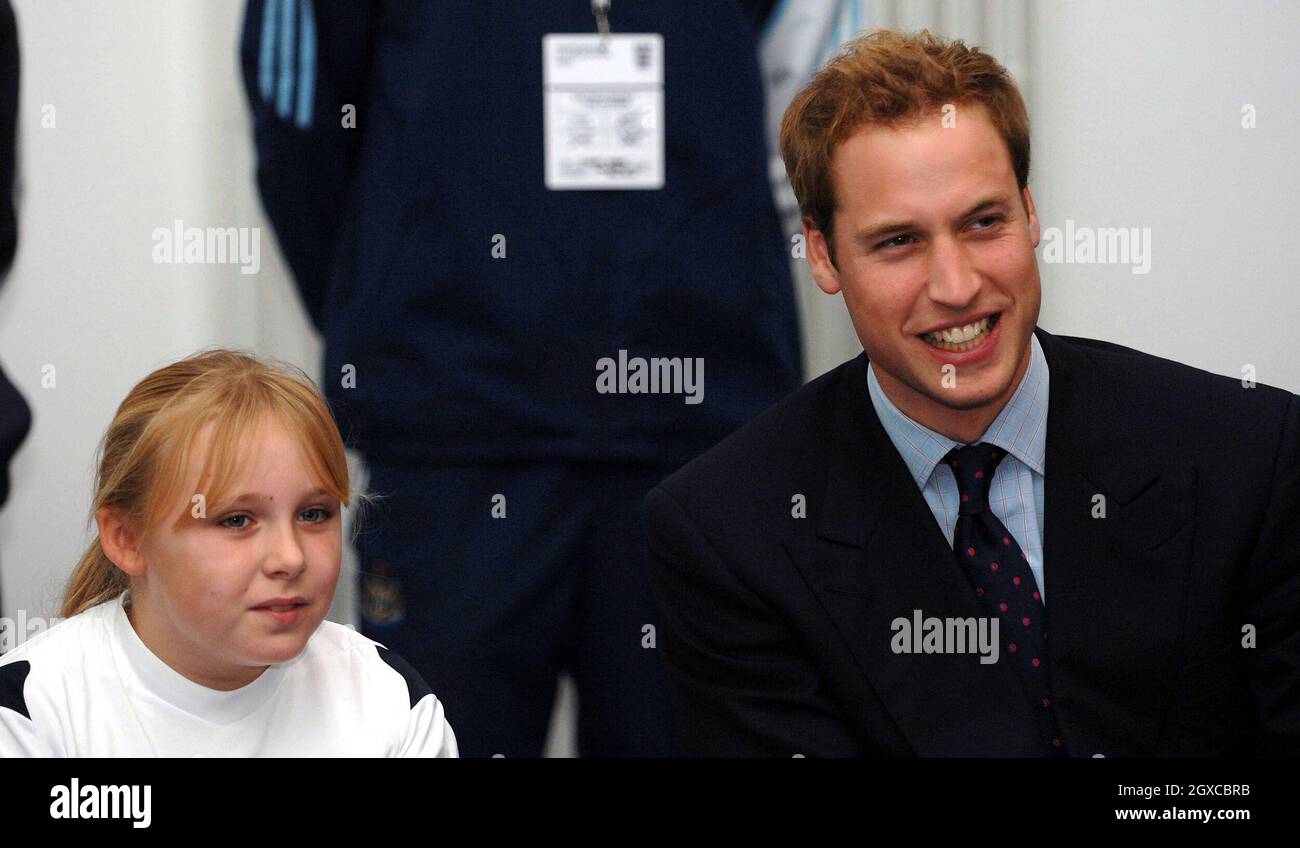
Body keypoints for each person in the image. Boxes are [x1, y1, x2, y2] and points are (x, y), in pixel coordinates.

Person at [645, 29, 1300, 757]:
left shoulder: (1251, 455)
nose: (956, 288)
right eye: (898, 241)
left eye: (983, 223)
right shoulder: (729, 531)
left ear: (1030, 214)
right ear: (824, 255)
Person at [239, 1, 801, 756]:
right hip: (454, 433)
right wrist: (392, 294)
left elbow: (813, 111)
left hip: (703, 432)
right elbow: (297, 109)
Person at [0, 350, 458, 756]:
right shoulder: (32, 715)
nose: (290, 558)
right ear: (126, 539)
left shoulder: (390, 702)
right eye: (237, 520)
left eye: (314, 514)